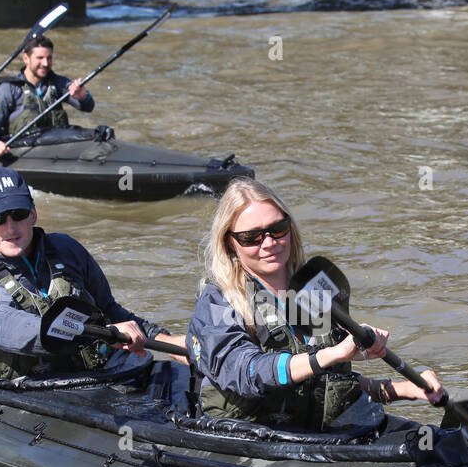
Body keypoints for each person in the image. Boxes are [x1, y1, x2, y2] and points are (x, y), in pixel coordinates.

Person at [187, 178, 446, 431]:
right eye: (251, 237)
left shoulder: (314, 286)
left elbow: (331, 383)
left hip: (311, 434)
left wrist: (403, 389)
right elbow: (247, 372)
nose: (269, 243)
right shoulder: (216, 302)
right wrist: (332, 354)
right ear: (229, 243)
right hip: (248, 433)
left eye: (278, 229)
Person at [0, 167, 186, 379]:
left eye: (18, 214)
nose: (10, 228)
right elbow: (21, 332)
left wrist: (166, 340)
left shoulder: (67, 249)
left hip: (89, 376)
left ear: (33, 214)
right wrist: (106, 335)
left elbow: (110, 310)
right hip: (22, 391)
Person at [0, 36, 93, 159]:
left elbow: (89, 107)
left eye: (49, 58)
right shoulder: (8, 88)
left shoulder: (59, 83)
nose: (45, 63)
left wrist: (83, 97)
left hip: (59, 147)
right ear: (26, 58)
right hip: (25, 152)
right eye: (40, 58)